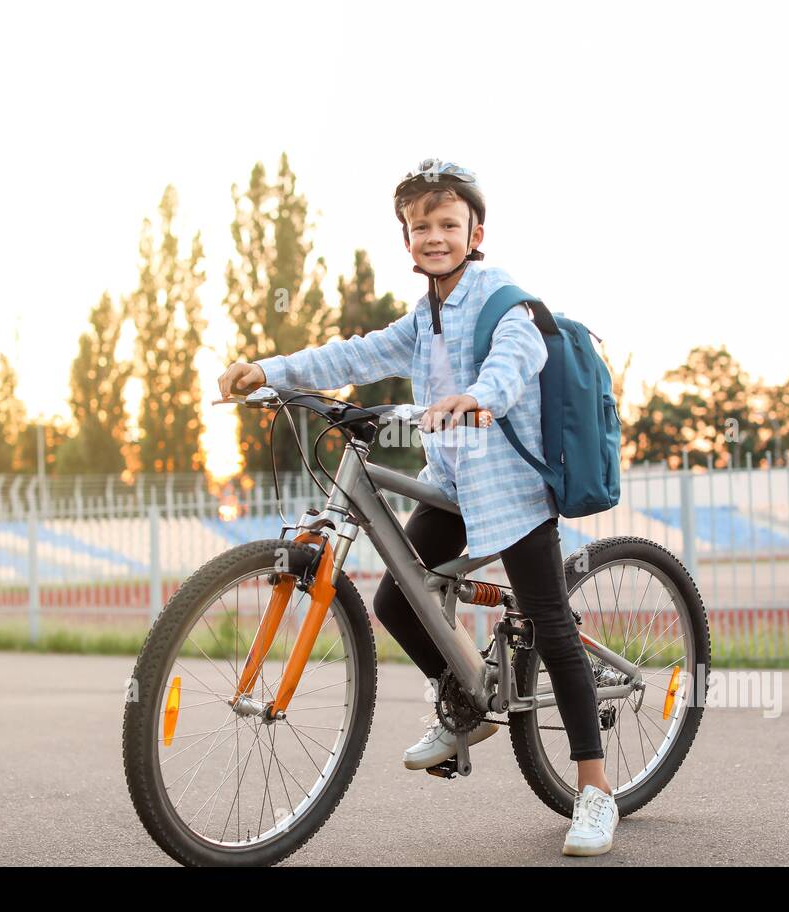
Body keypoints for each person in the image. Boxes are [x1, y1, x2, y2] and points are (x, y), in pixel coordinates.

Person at [217, 158, 618, 856]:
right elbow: (357, 354)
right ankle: (467, 705)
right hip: (455, 484)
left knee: (551, 627)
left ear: (475, 231)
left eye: (447, 224)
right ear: (407, 240)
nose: (434, 236)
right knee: (398, 603)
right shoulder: (424, 312)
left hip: (514, 489)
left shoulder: (502, 297)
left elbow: (519, 355)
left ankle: (594, 791)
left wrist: (479, 397)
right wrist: (273, 371)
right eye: (419, 226)